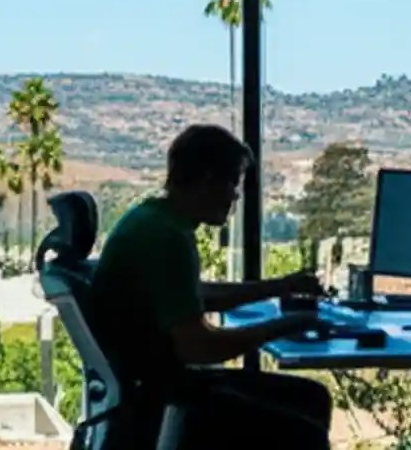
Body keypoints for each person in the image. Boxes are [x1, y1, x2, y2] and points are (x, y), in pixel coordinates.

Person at [91, 123, 332, 448]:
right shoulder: (168, 238)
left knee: (311, 398)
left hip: (147, 384)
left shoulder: (151, 219)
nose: (235, 195)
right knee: (307, 432)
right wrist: (281, 328)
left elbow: (195, 295)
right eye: (233, 182)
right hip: (164, 395)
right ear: (207, 179)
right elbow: (198, 347)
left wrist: (278, 287)